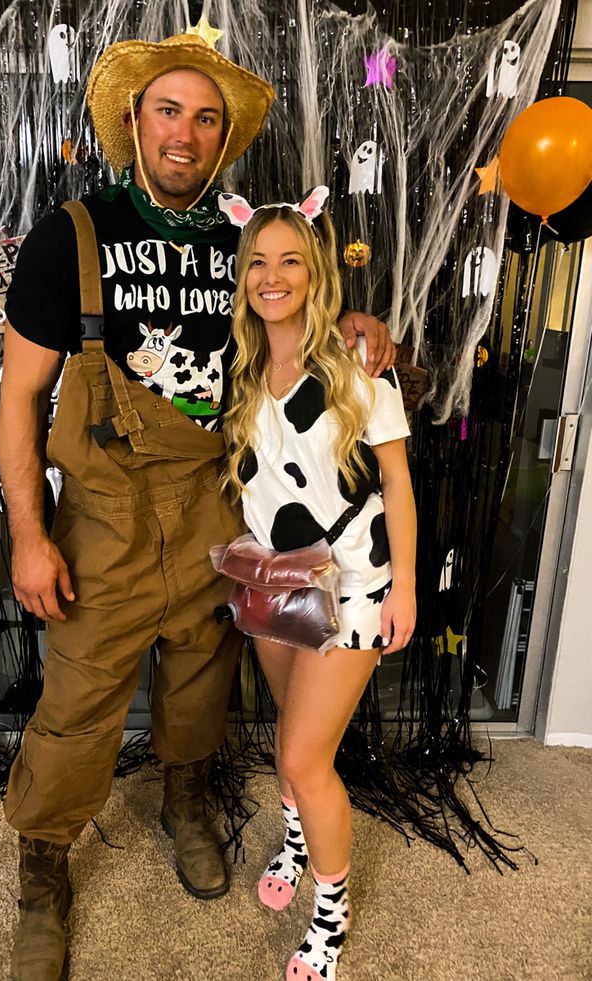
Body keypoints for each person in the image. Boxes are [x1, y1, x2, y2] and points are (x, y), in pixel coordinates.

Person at [0, 21, 395, 981]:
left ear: (224, 139)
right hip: (106, 515)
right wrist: (28, 535)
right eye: (168, 110)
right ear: (134, 120)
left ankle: (186, 799)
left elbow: (288, 302)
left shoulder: (237, 236)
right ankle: (44, 869)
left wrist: (352, 322)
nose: (186, 132)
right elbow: (18, 396)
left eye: (206, 118)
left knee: (200, 679)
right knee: (79, 699)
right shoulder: (72, 235)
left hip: (222, 504)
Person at [218, 187, 416, 981]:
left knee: (304, 756)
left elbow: (396, 483)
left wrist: (404, 586)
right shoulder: (243, 369)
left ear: (315, 270)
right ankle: (299, 841)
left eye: (290, 260)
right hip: (276, 581)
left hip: (356, 585)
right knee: (287, 738)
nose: (273, 276)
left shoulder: (356, 363)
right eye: (258, 262)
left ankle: (328, 920)